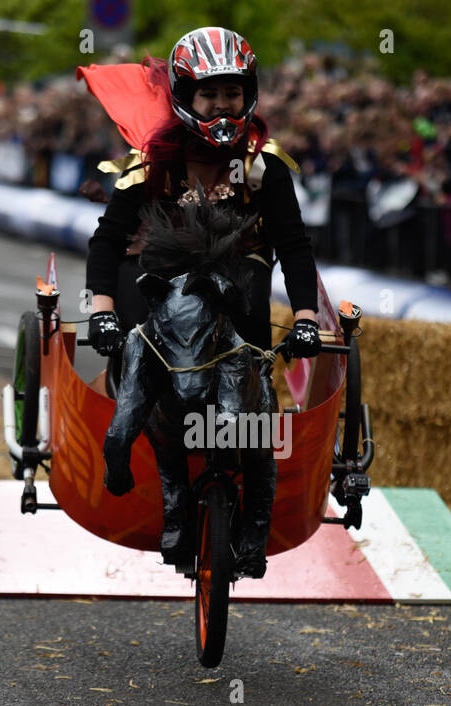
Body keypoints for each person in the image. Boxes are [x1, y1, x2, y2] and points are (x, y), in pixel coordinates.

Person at [84, 26, 324, 576]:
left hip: (241, 291)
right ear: (185, 97)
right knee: (139, 319)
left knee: (253, 369)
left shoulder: (267, 167)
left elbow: (294, 246)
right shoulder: (149, 162)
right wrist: (100, 311)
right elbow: (107, 240)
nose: (223, 105)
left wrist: (307, 319)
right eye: (210, 94)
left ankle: (251, 498)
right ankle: (154, 457)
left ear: (250, 94)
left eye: (233, 93)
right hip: (161, 287)